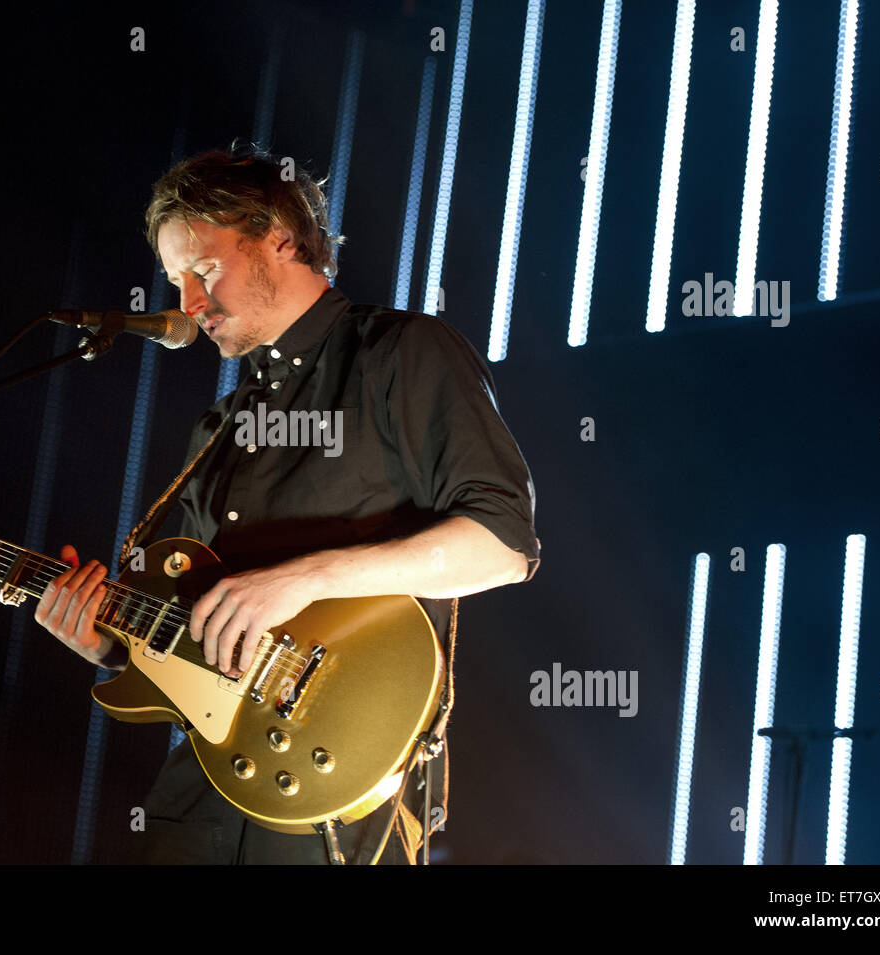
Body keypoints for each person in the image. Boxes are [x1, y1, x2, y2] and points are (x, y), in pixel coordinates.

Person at [33, 145, 540, 864]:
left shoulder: (401, 353)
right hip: (199, 798)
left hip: (338, 803)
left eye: (204, 269)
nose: (190, 304)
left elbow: (504, 542)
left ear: (280, 236)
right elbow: (198, 626)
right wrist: (111, 644)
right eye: (177, 281)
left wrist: (305, 578)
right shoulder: (218, 429)